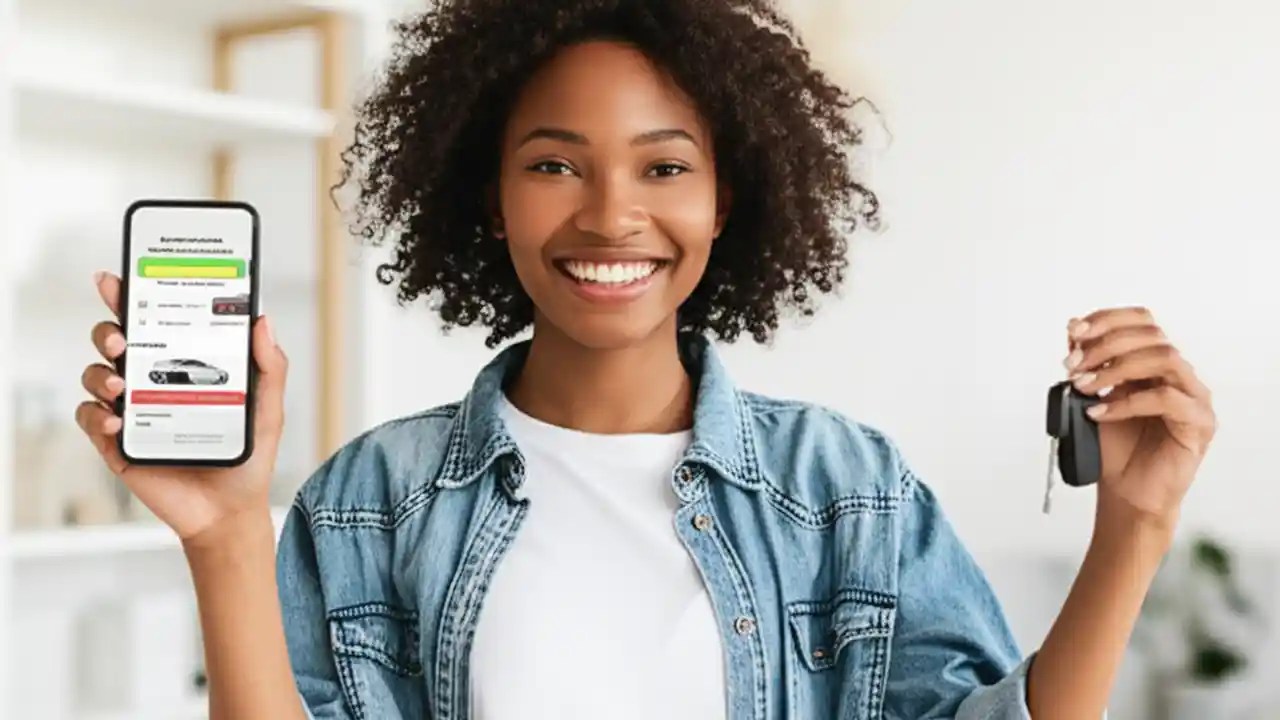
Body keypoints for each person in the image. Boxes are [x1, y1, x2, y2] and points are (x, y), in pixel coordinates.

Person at [74, 1, 1218, 718]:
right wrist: (225, 535)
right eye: (555, 165)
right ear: (489, 199)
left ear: (729, 202)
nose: (611, 216)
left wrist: (1131, 529)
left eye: (665, 168)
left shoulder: (845, 483)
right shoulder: (370, 500)